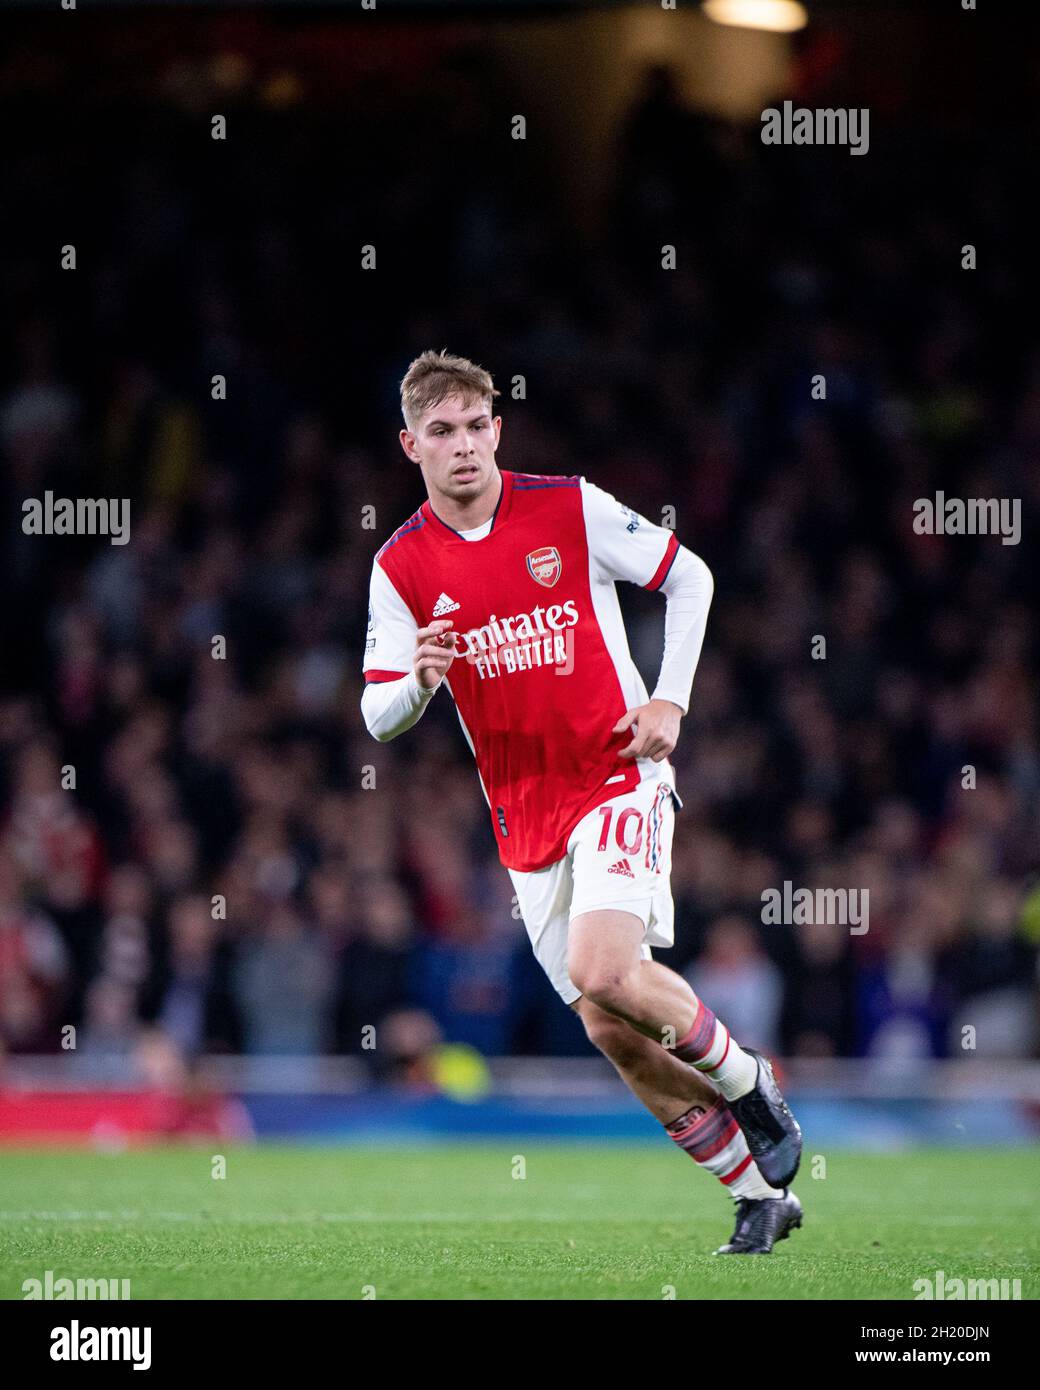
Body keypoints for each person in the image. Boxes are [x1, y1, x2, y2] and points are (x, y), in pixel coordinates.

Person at [361, 349, 802, 1254]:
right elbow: (377, 714)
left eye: (478, 426)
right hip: (526, 820)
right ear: (411, 446)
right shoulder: (400, 565)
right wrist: (420, 682)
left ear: (498, 429)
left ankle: (750, 1081)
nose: (465, 447)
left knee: (605, 970)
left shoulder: (567, 505)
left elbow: (694, 577)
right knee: (612, 1025)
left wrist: (670, 698)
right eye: (441, 432)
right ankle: (759, 1195)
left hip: (617, 774)